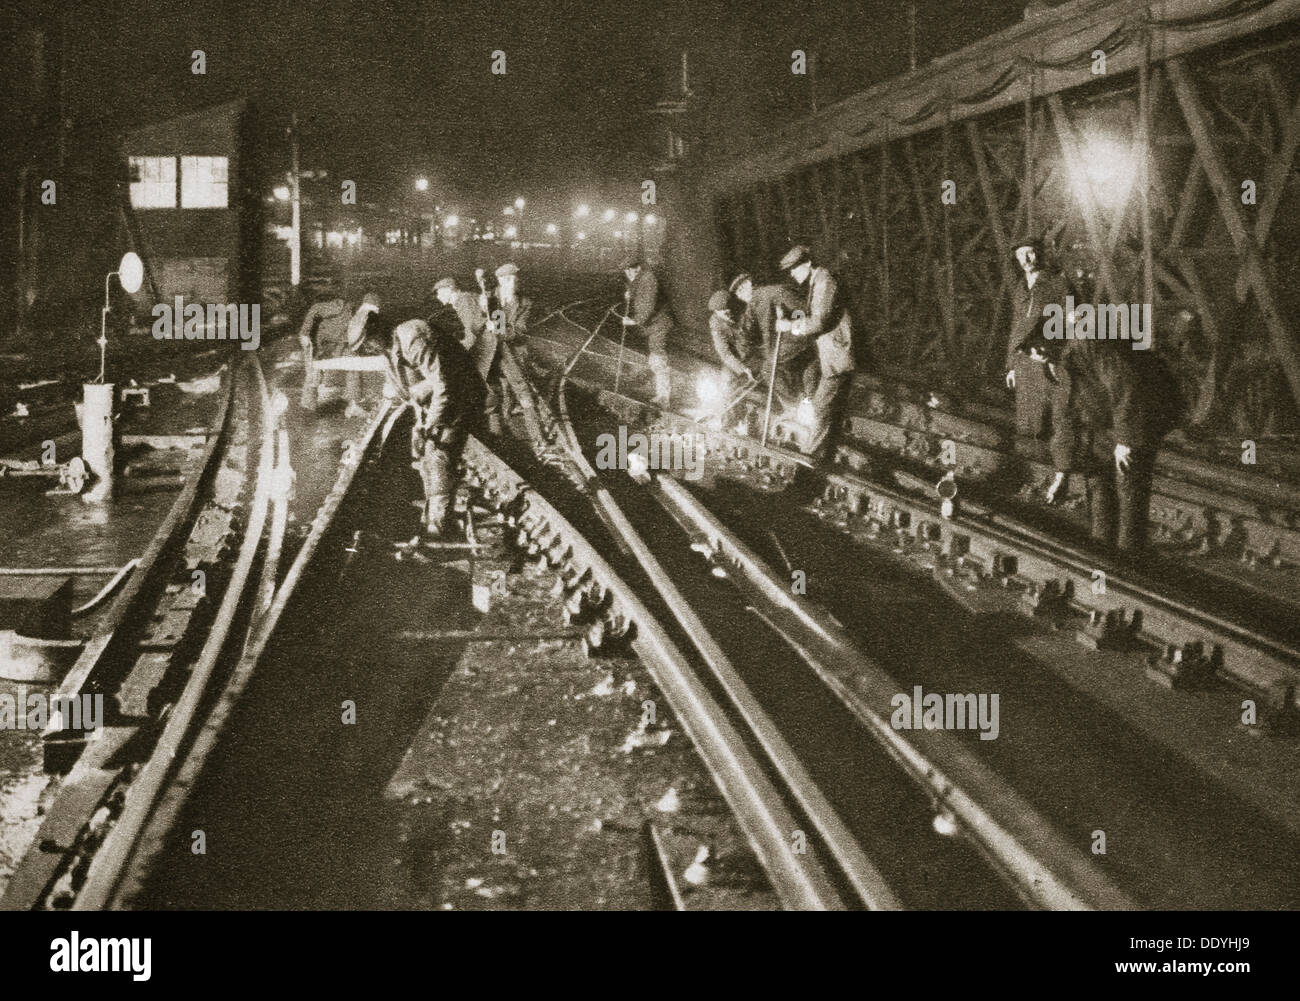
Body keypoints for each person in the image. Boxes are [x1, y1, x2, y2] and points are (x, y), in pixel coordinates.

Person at [1050, 333, 1176, 556]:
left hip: (1141, 413)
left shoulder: (1090, 345)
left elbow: (1126, 387)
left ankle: (1129, 556)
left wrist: (1125, 441)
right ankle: (1102, 550)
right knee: (1096, 473)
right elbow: (1064, 418)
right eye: (1029, 351)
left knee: (1128, 480)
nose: (1035, 354)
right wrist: (1062, 472)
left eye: (1037, 346)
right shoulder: (1056, 363)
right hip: (1108, 423)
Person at [382, 317, 487, 542]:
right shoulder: (393, 346)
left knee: (438, 454)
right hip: (446, 389)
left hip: (463, 392)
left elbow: (444, 385)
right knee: (424, 453)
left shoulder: (413, 337)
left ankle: (438, 525)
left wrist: (431, 426)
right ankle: (434, 515)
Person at [1005, 237, 1076, 497]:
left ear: (1040, 255)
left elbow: (1070, 324)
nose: (1025, 260)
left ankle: (1059, 476)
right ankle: (1032, 477)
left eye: (1030, 254)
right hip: (1025, 361)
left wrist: (1057, 355)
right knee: (1029, 421)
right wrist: (1011, 365)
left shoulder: (1058, 284)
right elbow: (1016, 328)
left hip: (1048, 360)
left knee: (1056, 418)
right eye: (1020, 255)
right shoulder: (1021, 287)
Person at [775, 244, 855, 462]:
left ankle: (809, 459)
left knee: (820, 407)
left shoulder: (824, 281)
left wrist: (789, 326)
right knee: (831, 410)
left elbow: (819, 321)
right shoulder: (817, 281)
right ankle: (825, 456)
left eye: (795, 268)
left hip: (837, 357)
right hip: (833, 356)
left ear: (808, 263)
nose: (792, 273)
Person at [434, 275, 502, 436]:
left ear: (450, 289)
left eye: (439, 292)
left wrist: (458, 350)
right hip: (489, 343)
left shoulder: (463, 300)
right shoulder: (466, 298)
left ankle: (493, 430)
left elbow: (473, 330)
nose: (437, 297)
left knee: (476, 384)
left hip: (484, 346)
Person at [621, 255, 675, 408]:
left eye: (629, 271)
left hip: (659, 324)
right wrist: (630, 291)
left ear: (636, 268)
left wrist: (634, 321)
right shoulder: (641, 277)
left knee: (657, 359)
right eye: (626, 272)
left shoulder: (648, 279)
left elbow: (647, 305)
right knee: (655, 357)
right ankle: (662, 394)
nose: (628, 275)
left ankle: (664, 397)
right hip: (653, 325)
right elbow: (636, 288)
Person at [297, 287, 352, 411]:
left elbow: (315, 310)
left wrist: (304, 333)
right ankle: (309, 404)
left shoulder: (332, 306)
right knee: (314, 371)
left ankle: (309, 404)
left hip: (326, 341)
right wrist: (305, 333)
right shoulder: (339, 307)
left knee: (314, 370)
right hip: (325, 342)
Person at [707, 289, 756, 417]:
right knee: (726, 382)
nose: (726, 315)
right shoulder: (715, 322)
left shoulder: (744, 311)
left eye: (727, 311)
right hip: (736, 356)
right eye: (721, 313)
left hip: (755, 352)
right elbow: (725, 353)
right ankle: (728, 417)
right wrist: (742, 368)